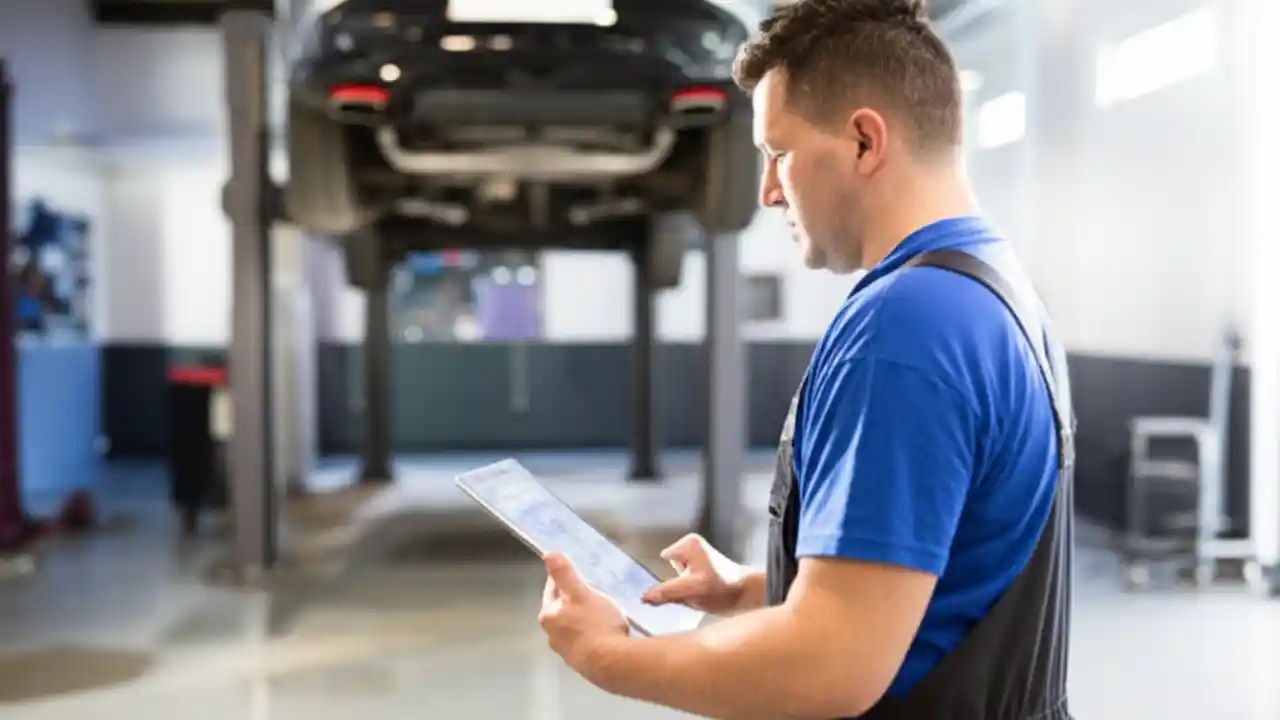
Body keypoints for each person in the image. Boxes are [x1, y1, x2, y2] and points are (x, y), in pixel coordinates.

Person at [537, 1, 1076, 718]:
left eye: (778, 153)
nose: (766, 191)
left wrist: (609, 656)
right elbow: (943, 572)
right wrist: (755, 586)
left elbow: (827, 666)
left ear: (862, 141)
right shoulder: (995, 291)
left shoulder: (905, 327)